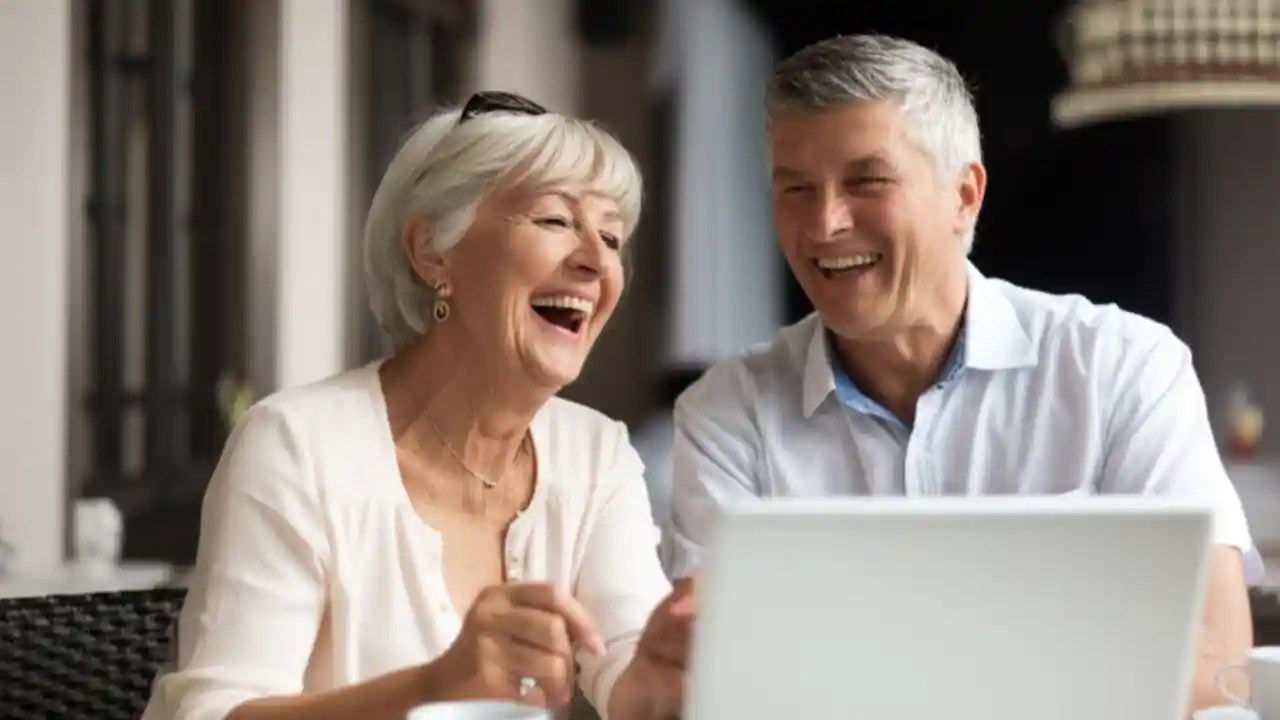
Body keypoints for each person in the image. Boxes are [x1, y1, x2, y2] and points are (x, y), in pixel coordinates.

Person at [663, 34, 1256, 712]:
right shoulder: (725, 415)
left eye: (867, 181)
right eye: (796, 188)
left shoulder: (1124, 368)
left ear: (964, 195)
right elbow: (723, 683)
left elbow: (1216, 662)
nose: (824, 224)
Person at [144, 91, 691, 720]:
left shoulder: (595, 454)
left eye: (613, 235)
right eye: (555, 220)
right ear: (432, 252)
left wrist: (675, 668)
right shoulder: (297, 445)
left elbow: (630, 665)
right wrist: (432, 686)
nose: (597, 261)